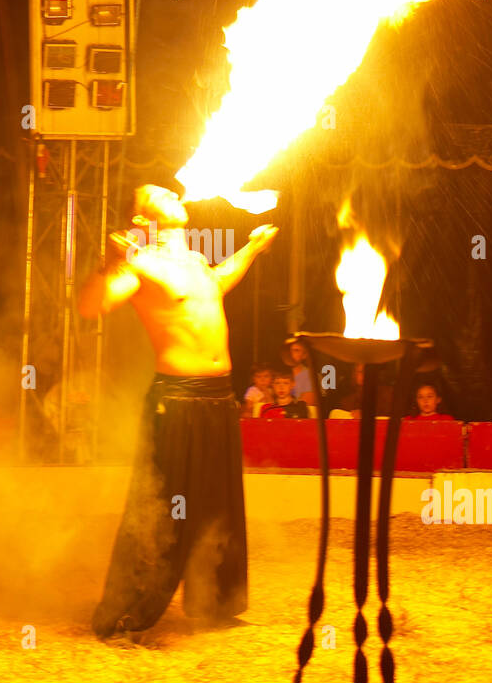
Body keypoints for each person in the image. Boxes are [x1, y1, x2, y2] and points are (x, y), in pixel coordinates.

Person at [77, 184, 278, 640]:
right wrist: (111, 263)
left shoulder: (194, 263)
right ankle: (129, 611)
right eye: (160, 195)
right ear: (143, 220)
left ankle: (216, 602)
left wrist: (252, 247)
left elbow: (219, 282)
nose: (174, 193)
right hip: (178, 400)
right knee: (163, 507)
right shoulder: (141, 264)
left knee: (219, 504)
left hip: (218, 398)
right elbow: (93, 306)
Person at [281, 339, 320, 407]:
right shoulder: (278, 374)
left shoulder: (311, 376)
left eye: (296, 350)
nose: (291, 353)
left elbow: (305, 406)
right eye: (289, 350)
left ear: (304, 355)